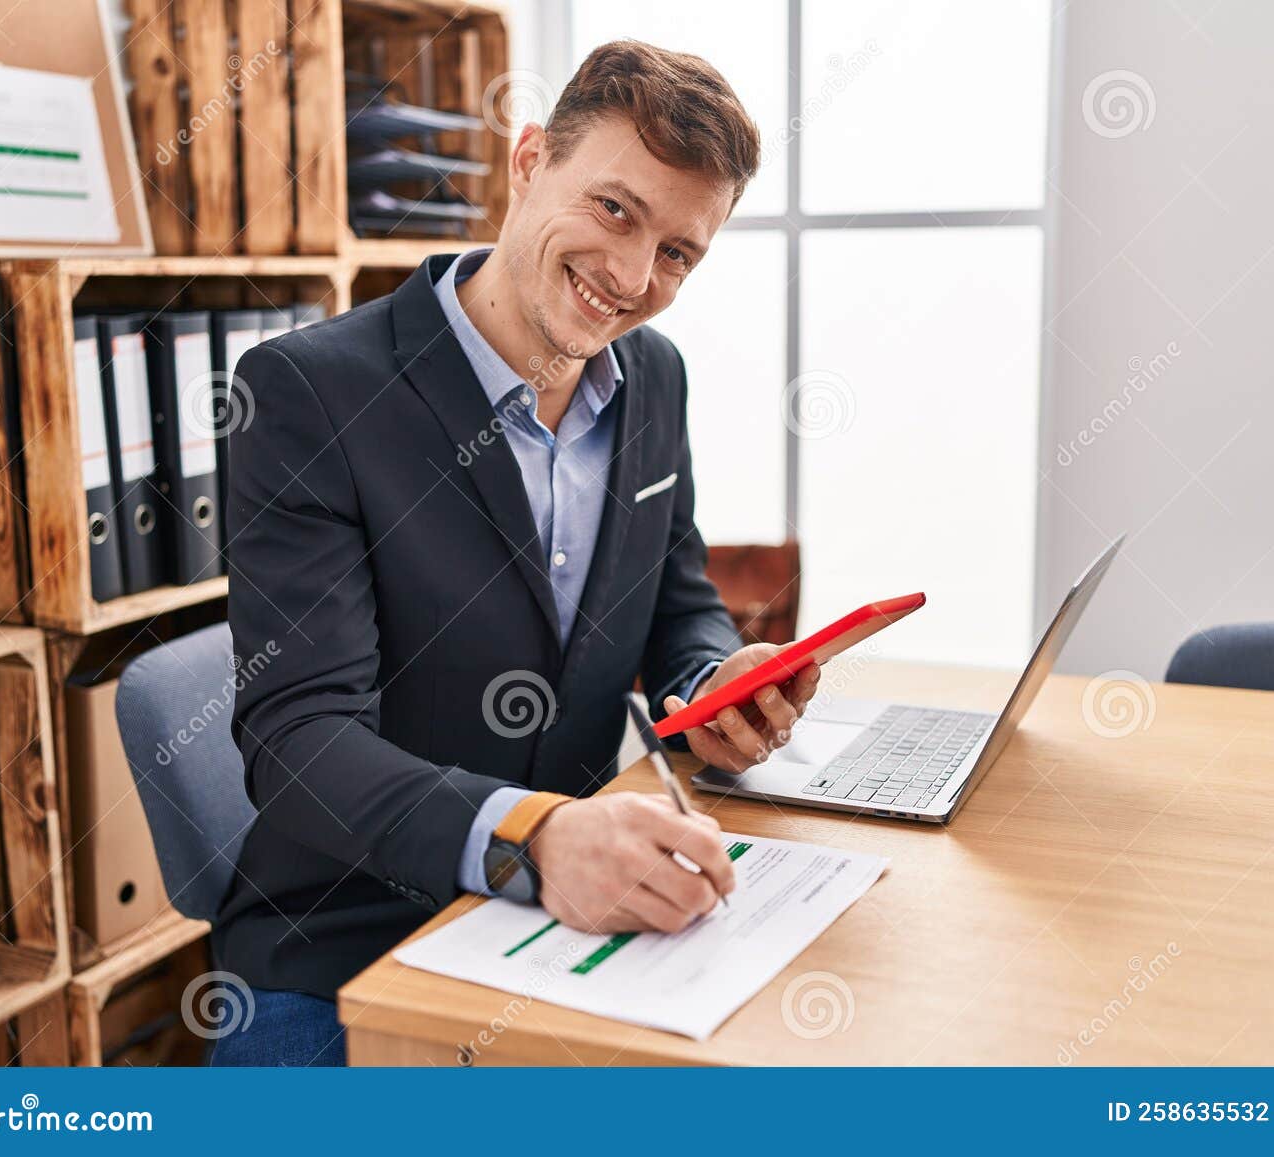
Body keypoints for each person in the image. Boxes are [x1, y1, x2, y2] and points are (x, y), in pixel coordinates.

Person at [215, 39, 820, 1066]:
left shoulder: (652, 377)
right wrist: (531, 837)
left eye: (678, 252)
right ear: (529, 160)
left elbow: (677, 601)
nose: (632, 277)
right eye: (615, 209)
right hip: (349, 941)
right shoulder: (307, 391)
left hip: (569, 929)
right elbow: (297, 738)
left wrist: (715, 678)